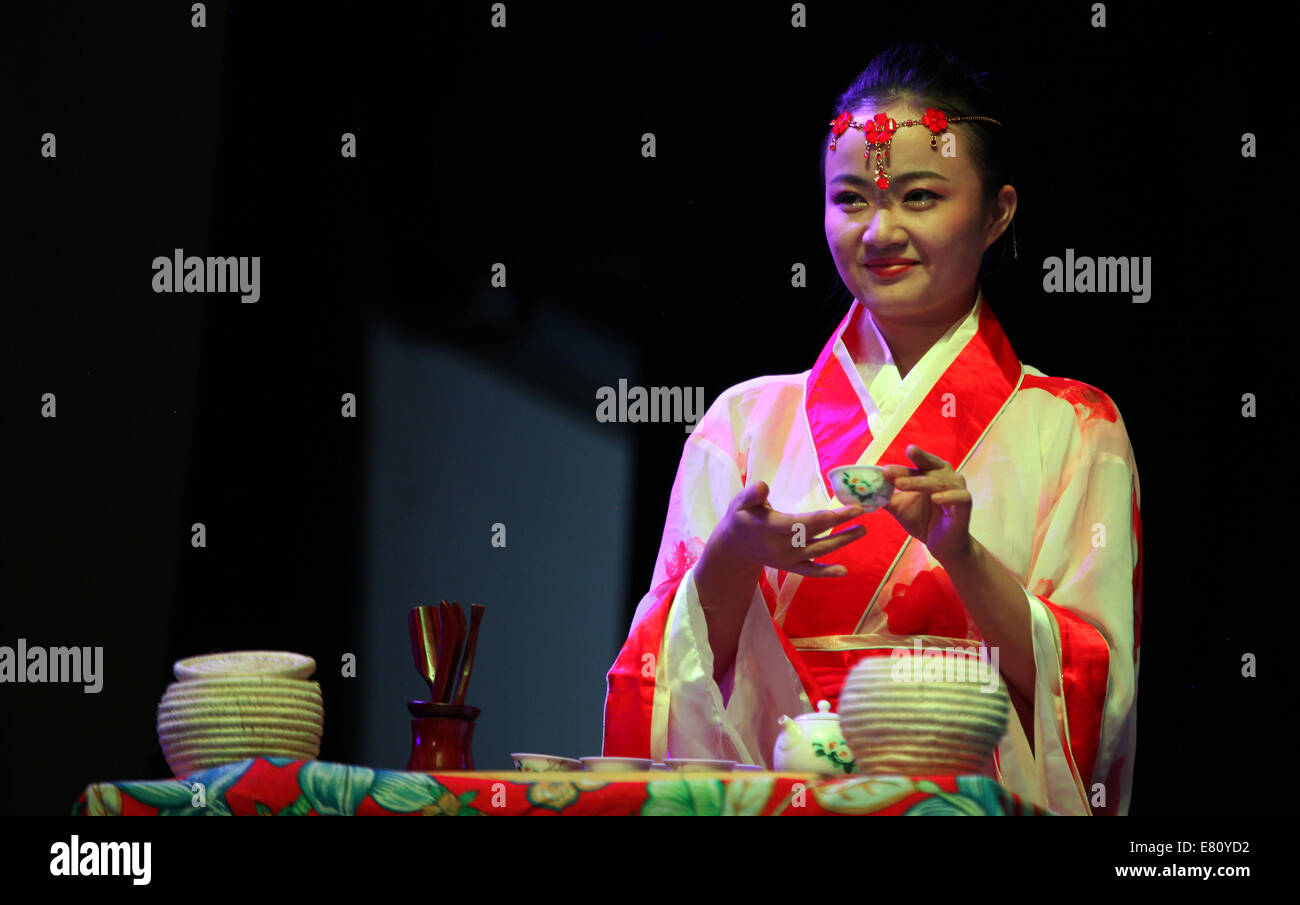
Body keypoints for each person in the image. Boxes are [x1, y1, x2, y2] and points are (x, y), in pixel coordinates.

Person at [601, 42, 1141, 816]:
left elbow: (1094, 684)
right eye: (851, 198)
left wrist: (961, 554)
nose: (879, 230)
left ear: (998, 212)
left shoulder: (1077, 428)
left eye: (919, 197)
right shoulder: (743, 423)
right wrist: (731, 556)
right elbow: (655, 672)